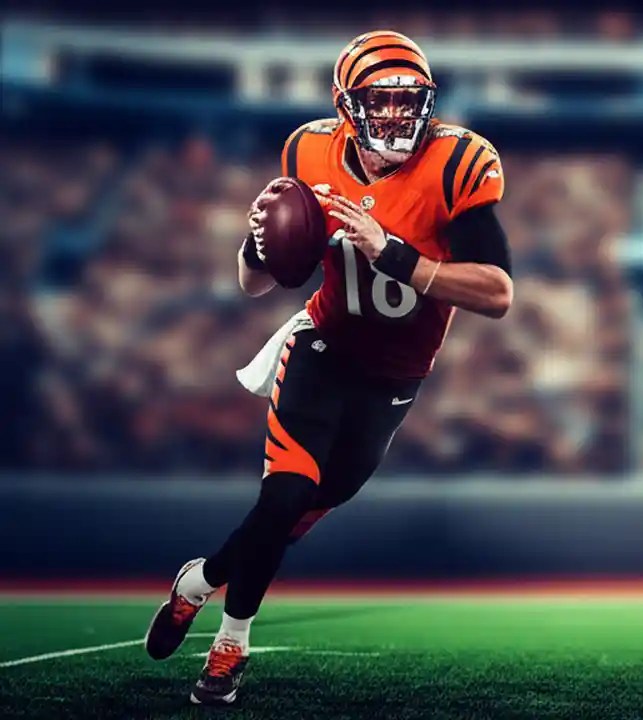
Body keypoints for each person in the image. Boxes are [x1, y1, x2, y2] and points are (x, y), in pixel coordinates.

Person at [142, 30, 514, 706]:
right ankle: (231, 647)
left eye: (410, 102)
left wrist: (394, 253)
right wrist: (260, 247)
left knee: (291, 518)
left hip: (395, 380)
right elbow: (257, 283)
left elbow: (497, 293)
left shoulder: (457, 163)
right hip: (323, 345)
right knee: (282, 494)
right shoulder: (308, 152)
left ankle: (198, 581)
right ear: (348, 104)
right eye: (383, 101)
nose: (399, 116)